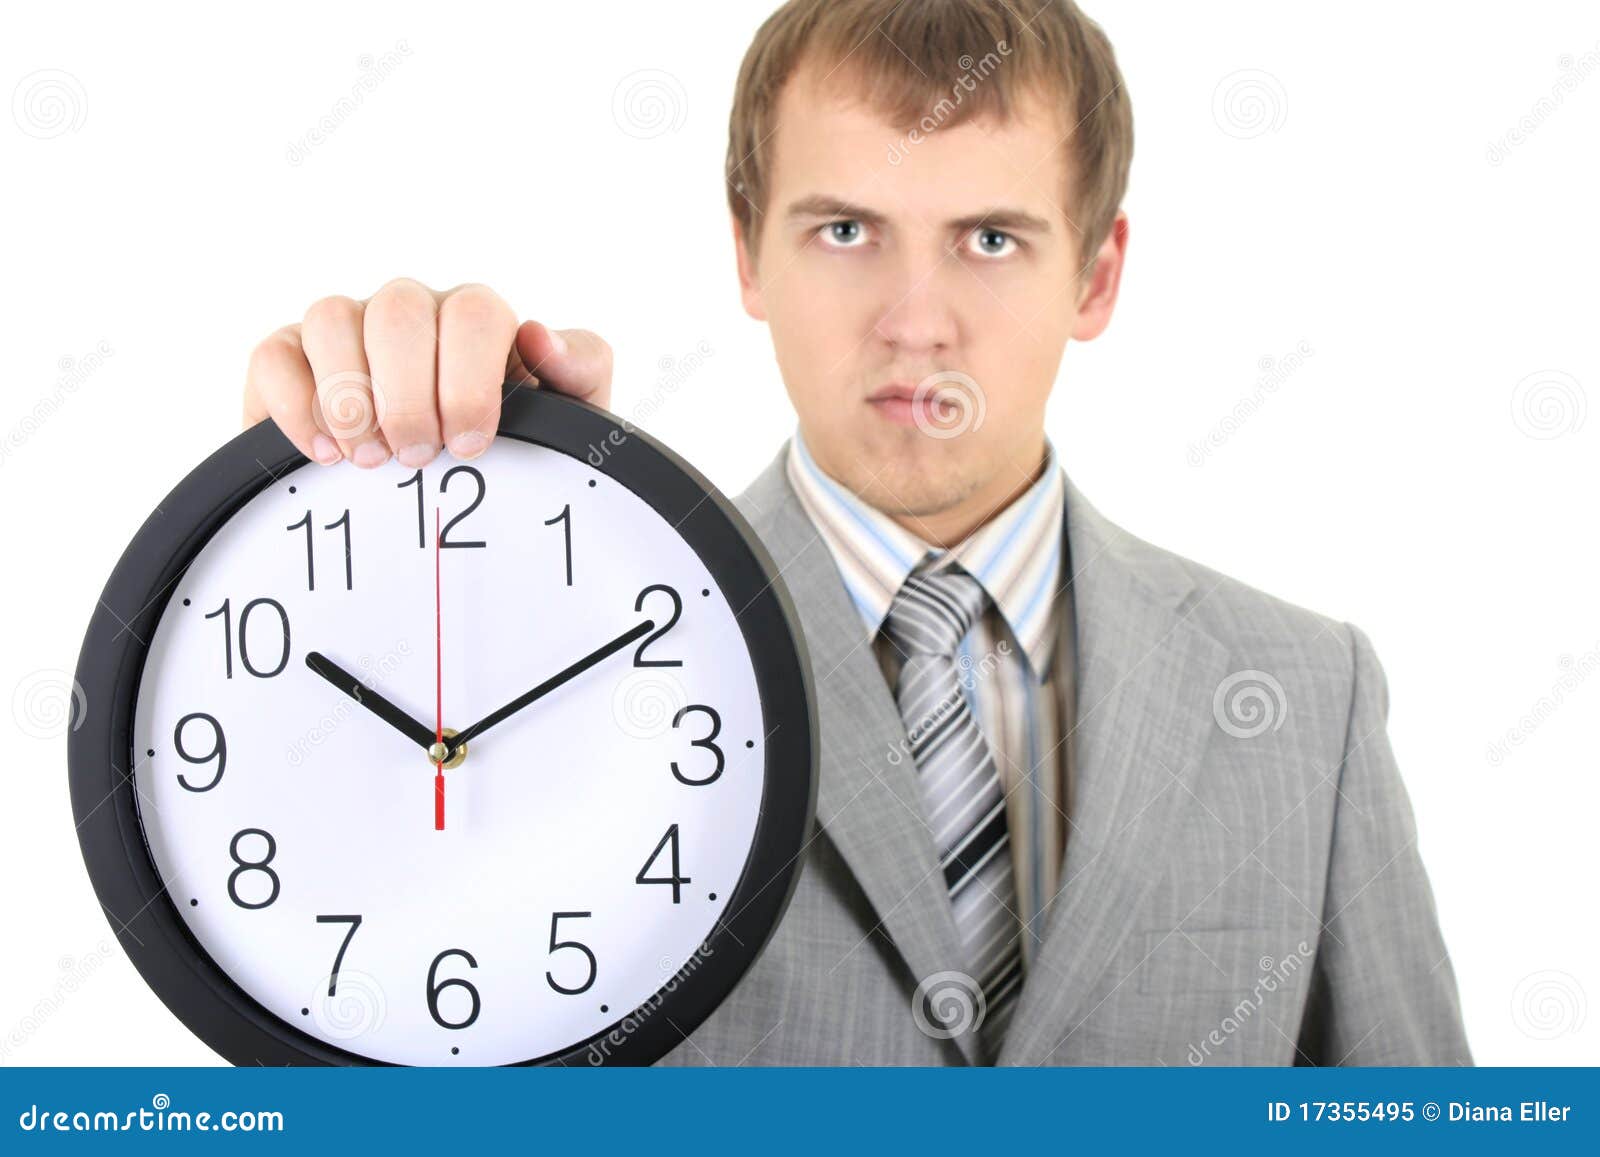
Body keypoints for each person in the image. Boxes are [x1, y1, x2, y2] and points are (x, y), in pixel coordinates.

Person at [241, 0, 1471, 1065]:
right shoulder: (561, 654)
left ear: (1096, 275)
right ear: (747, 254)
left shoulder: (1305, 695)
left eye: (990, 238)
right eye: (845, 230)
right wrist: (382, 554)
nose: (915, 322)